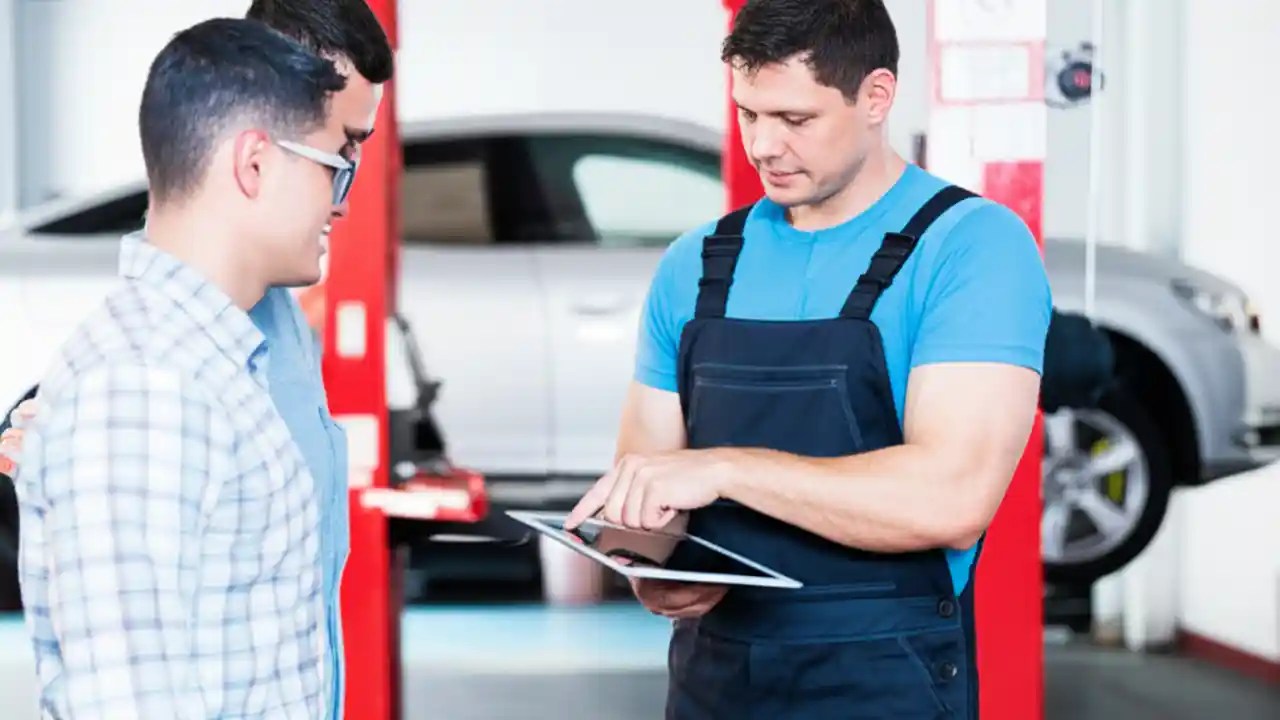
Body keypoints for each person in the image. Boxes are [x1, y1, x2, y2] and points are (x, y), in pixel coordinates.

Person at [565, 0, 1052, 717]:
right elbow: (645, 487)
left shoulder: (972, 248)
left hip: (884, 682)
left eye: (795, 119)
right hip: (714, 683)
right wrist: (650, 563)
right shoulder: (694, 264)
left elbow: (951, 498)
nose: (763, 145)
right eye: (749, 114)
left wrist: (725, 469)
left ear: (875, 97)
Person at [2, 2, 393, 717]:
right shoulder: (141, 387)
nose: (343, 198)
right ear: (255, 160)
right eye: (336, 158)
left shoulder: (253, 336)